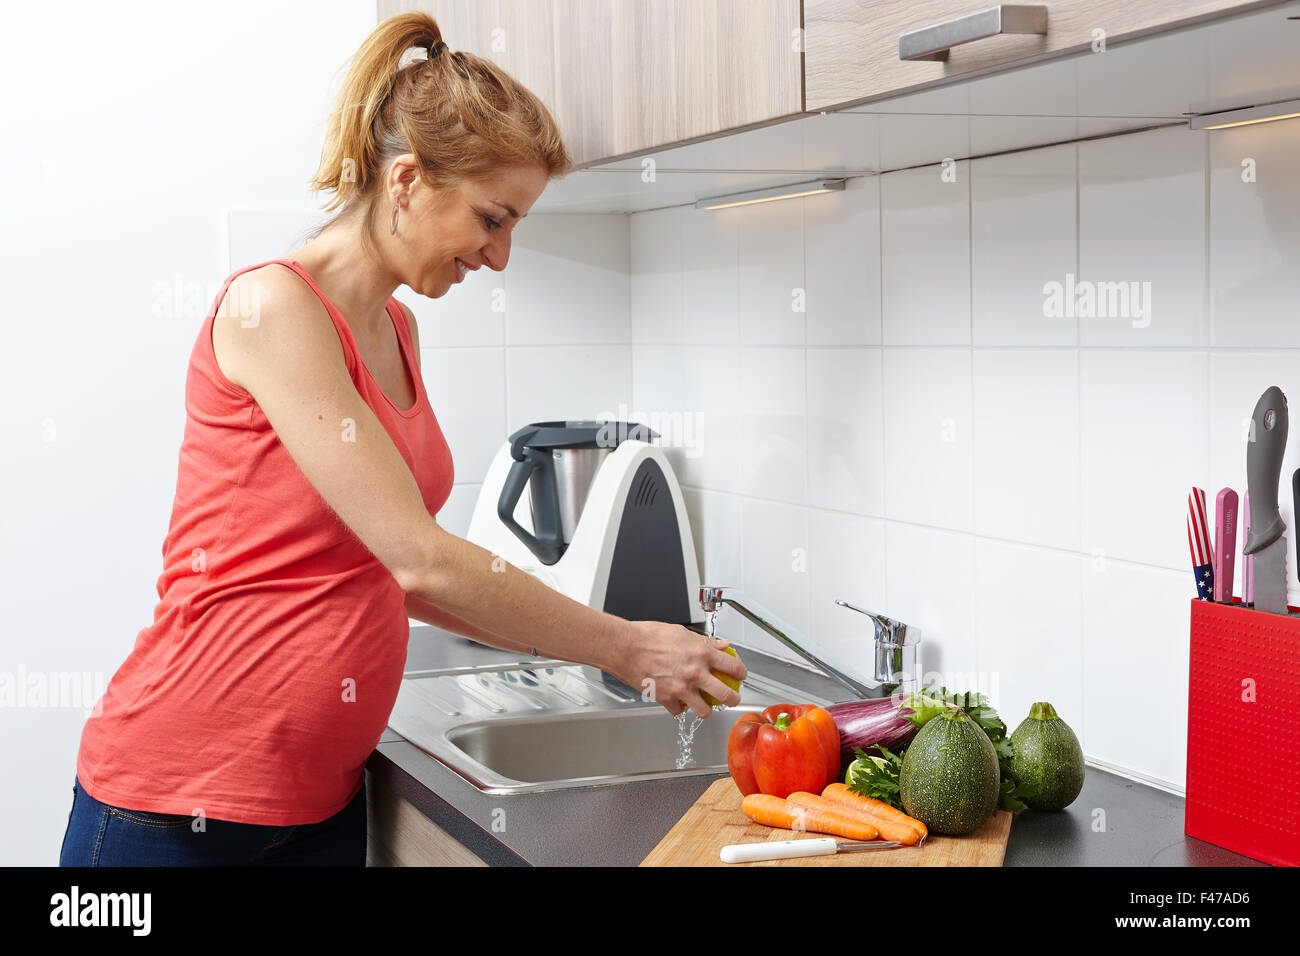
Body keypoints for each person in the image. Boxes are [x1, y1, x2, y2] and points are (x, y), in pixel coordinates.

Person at [59, 11, 744, 868]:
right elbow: (420, 557)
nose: (498, 257)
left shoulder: (395, 330)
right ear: (409, 180)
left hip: (320, 801)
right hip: (176, 803)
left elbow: (392, 571)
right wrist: (625, 646)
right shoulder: (272, 307)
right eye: (493, 220)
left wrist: (598, 643)